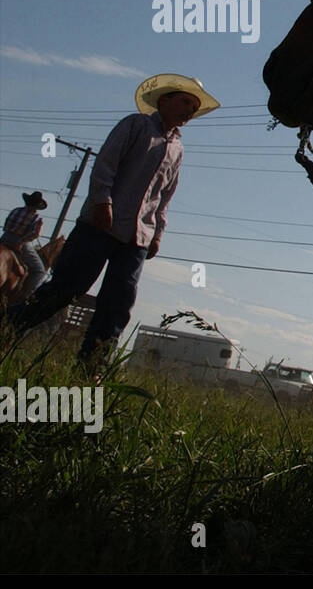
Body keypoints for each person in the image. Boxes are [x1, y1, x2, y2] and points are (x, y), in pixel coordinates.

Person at [2, 74, 220, 373]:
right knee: (67, 287)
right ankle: (8, 326)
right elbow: (106, 163)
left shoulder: (177, 148)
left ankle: (91, 368)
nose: (189, 111)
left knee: (118, 302)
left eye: (193, 108)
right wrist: (102, 201)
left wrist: (157, 232)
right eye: (185, 102)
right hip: (100, 224)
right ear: (164, 100)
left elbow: (164, 195)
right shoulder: (135, 125)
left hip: (137, 237)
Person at [1, 191, 49, 302]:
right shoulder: (36, 217)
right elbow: (34, 234)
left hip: (4, 238)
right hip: (19, 242)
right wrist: (23, 240)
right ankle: (24, 296)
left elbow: (6, 224)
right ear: (37, 206)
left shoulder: (16, 210)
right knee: (39, 270)